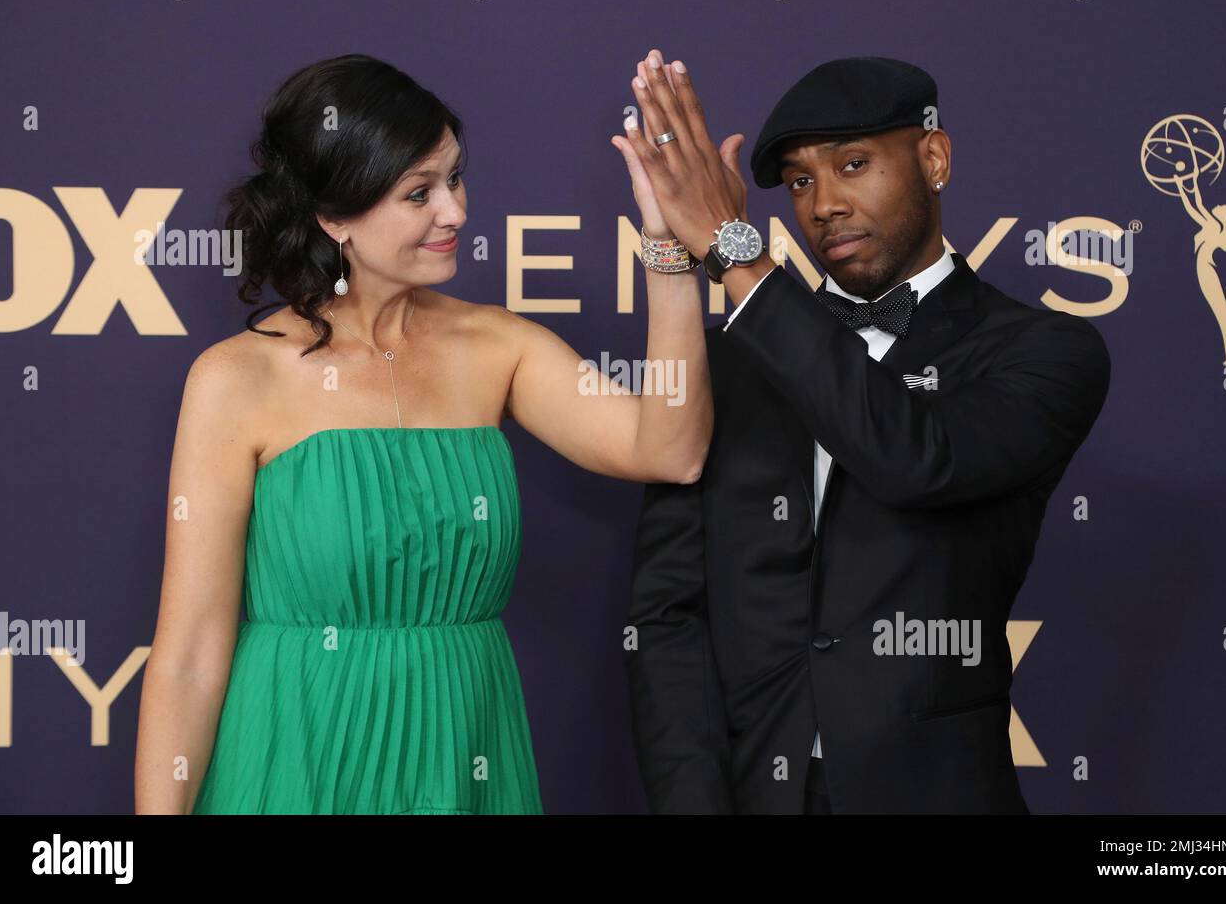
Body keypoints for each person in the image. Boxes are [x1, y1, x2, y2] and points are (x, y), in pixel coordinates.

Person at [134, 52, 712, 814]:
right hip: (295, 765)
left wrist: (668, 245)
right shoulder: (237, 380)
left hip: (462, 758)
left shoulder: (498, 347)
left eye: (455, 177)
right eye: (419, 193)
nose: (456, 212)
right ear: (334, 217)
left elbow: (668, 447)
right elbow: (188, 659)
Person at [622, 53, 1111, 813]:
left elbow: (914, 459)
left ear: (934, 158)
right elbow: (666, 616)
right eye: (799, 181)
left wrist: (736, 258)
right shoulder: (729, 364)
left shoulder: (1045, 352)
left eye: (853, 164)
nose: (823, 205)